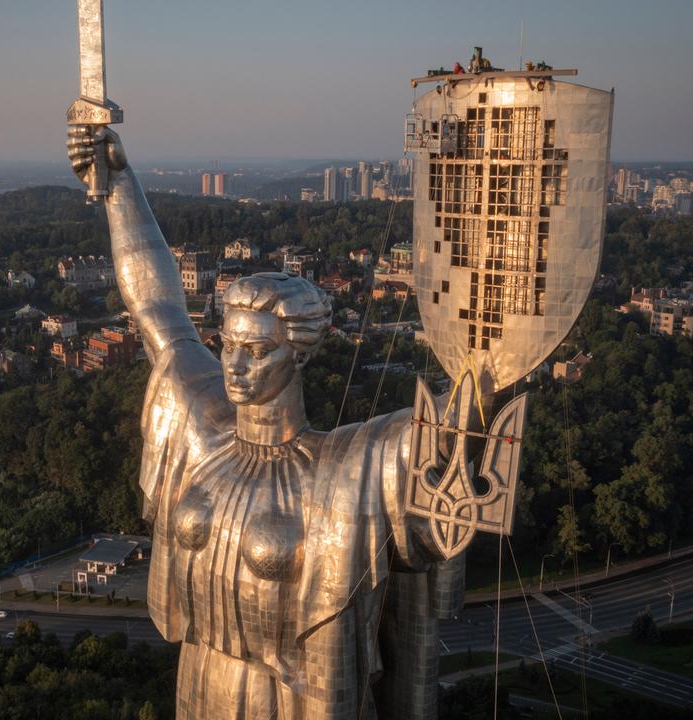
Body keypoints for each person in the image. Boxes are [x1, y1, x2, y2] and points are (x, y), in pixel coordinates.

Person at [67, 126, 462, 719]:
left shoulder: (346, 471)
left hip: (290, 701)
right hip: (200, 681)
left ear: (298, 354)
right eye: (228, 345)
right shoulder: (199, 428)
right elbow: (155, 307)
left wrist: (501, 338)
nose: (234, 366)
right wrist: (118, 182)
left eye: (257, 352)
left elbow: (459, 434)